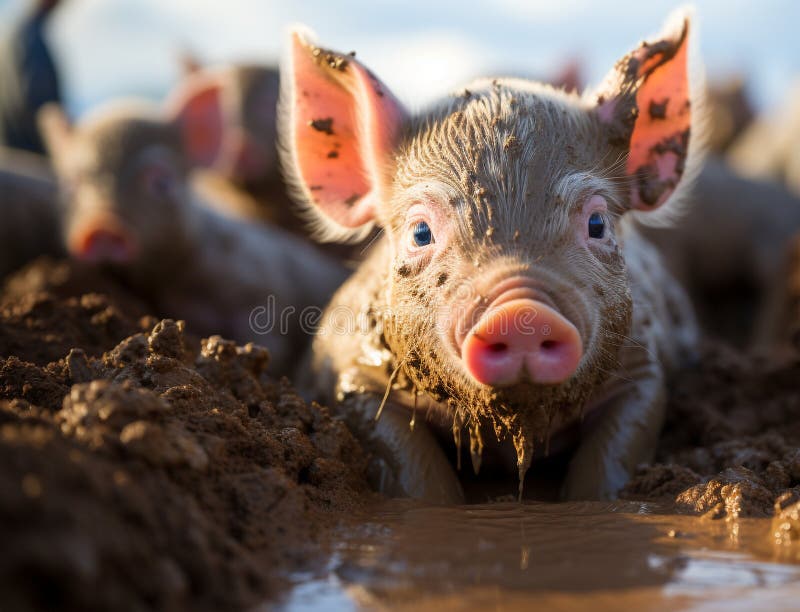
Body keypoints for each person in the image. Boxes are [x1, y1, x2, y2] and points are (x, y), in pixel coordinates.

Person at [0, 0, 63, 155]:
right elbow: (43, 108)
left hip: (10, 155)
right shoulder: (29, 38)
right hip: (27, 157)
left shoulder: (14, 32)